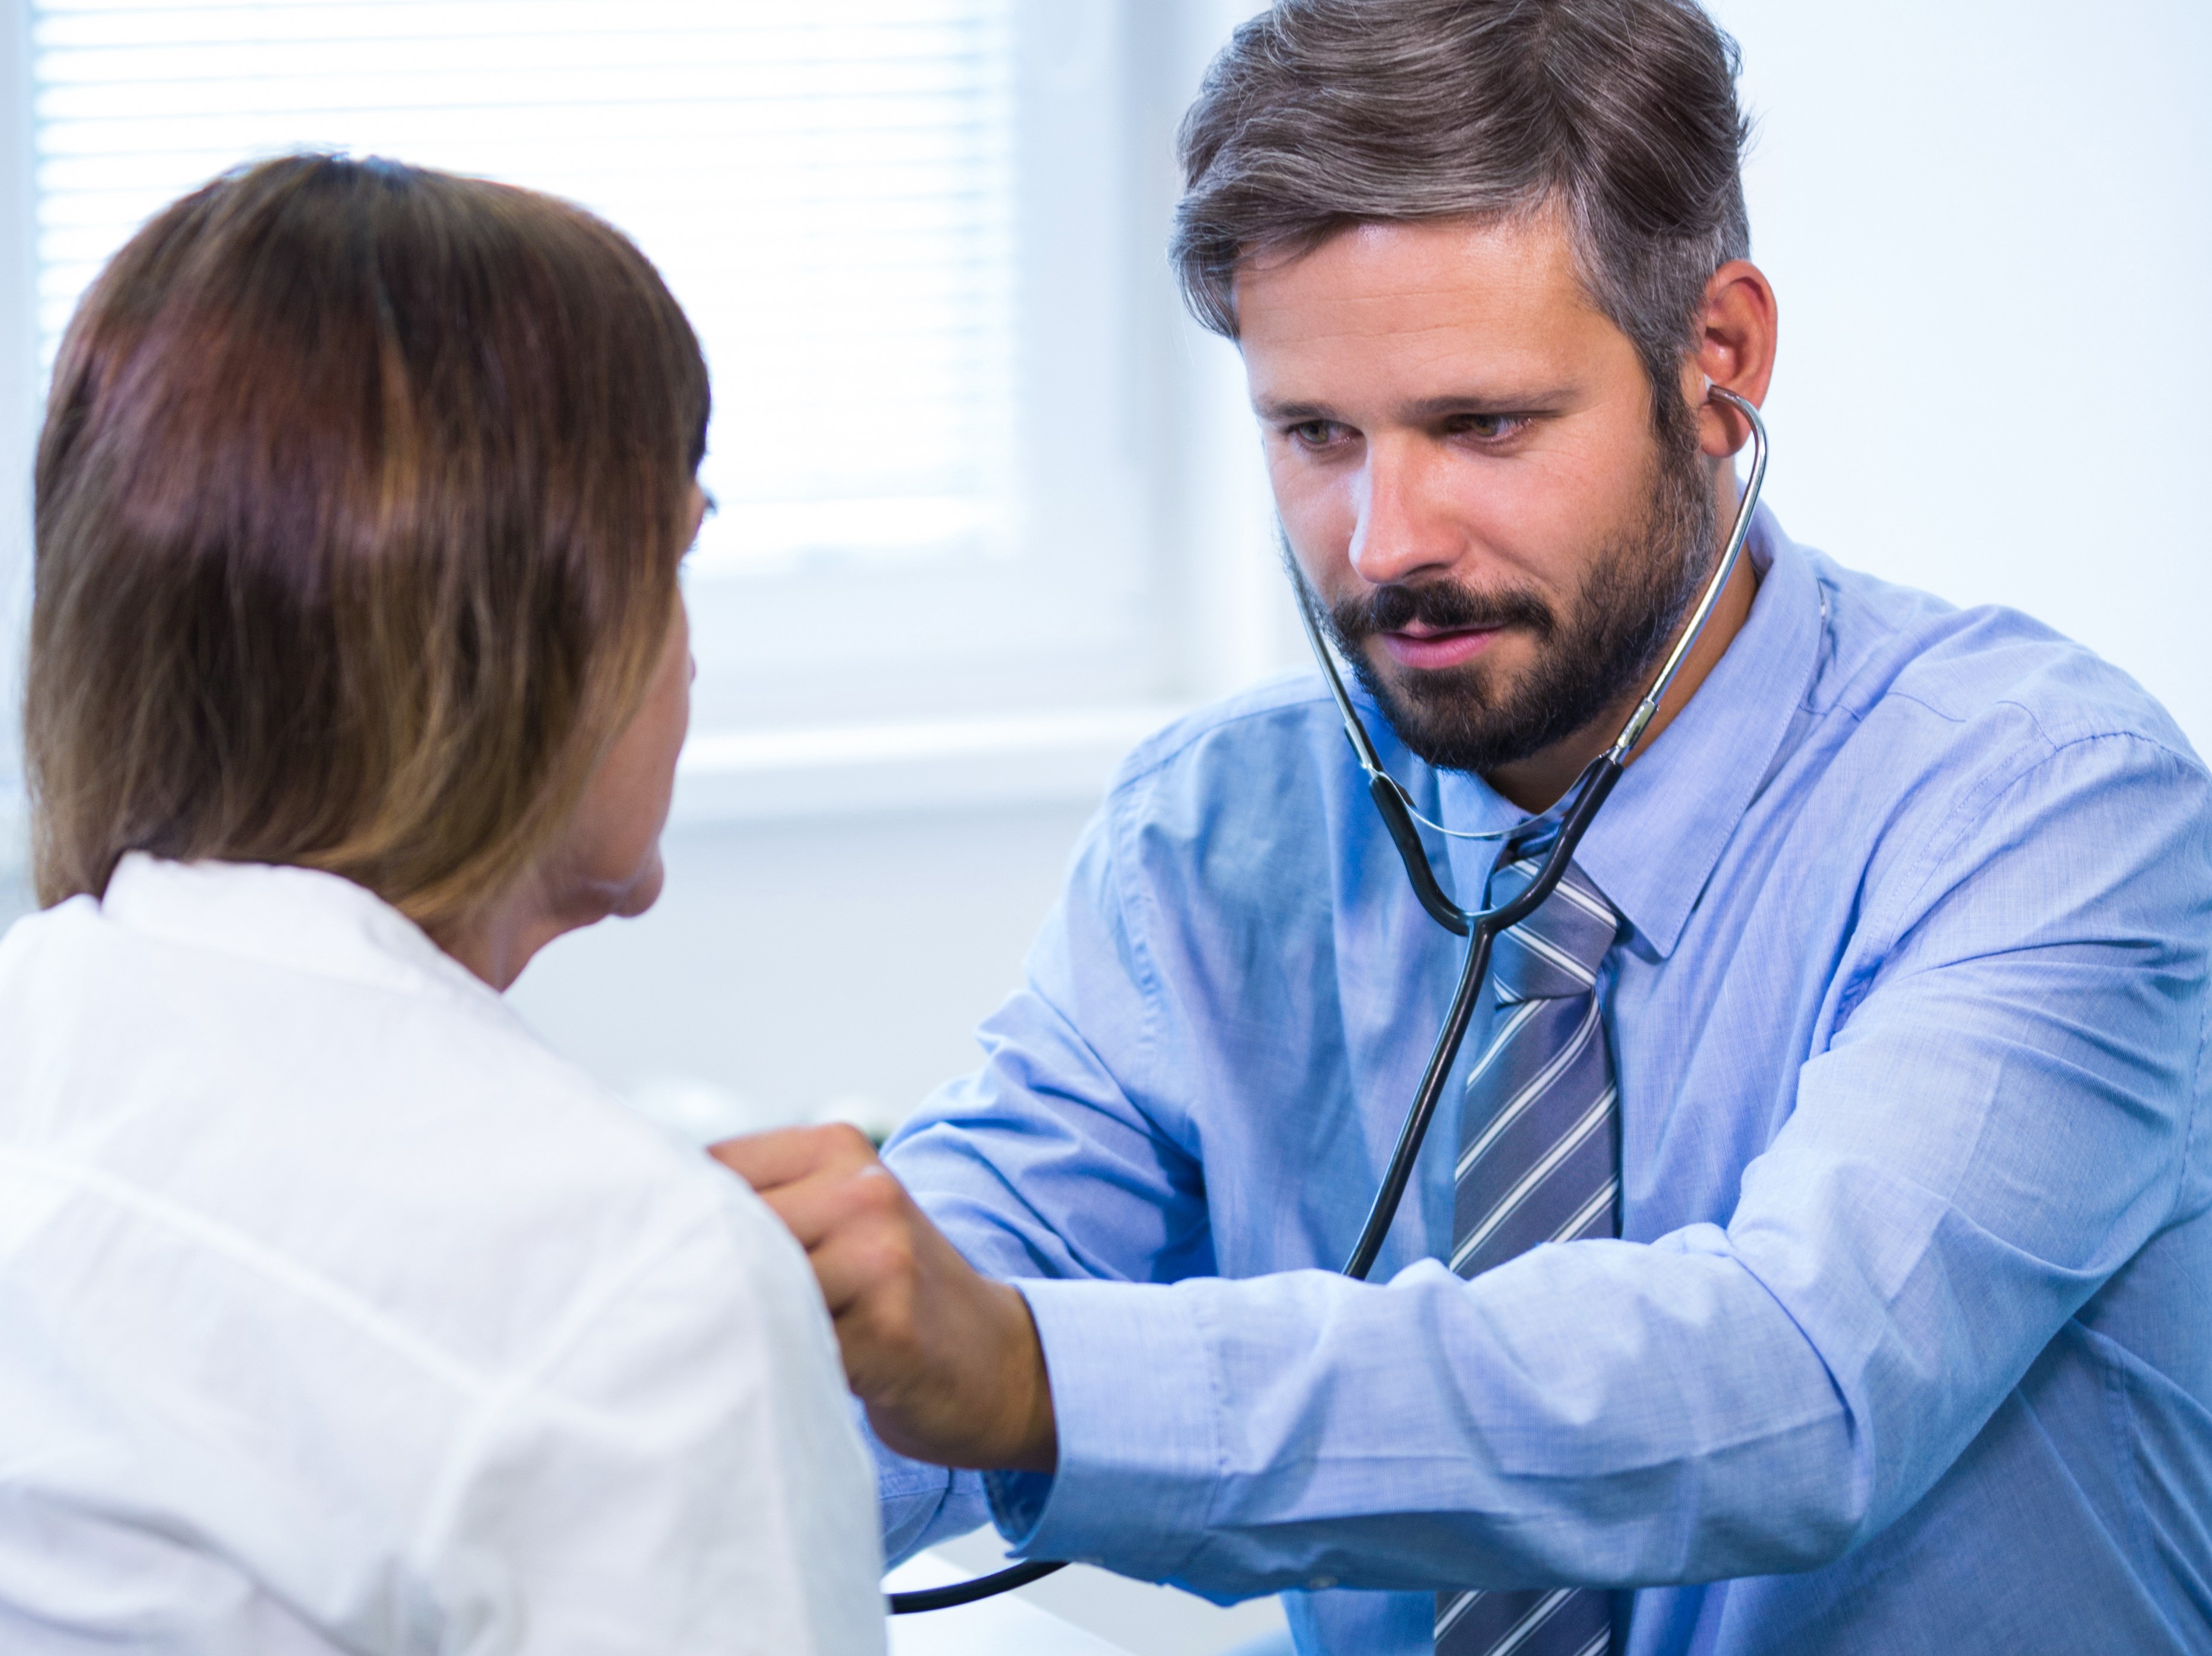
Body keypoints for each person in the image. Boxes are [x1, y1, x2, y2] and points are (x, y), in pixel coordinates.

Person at [715, 2, 2212, 1653]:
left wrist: (1031, 1379)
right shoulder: (1207, 839)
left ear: (1718, 361)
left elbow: (1795, 1389)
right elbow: (967, 1270)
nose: (1385, 543)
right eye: (1315, 434)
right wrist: (692, 1384)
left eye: (1482, 426)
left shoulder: (2050, 807)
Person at [0, 155, 883, 1654]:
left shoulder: (42, 1032)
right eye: (673, 559)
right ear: (538, 632)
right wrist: (685, 1289)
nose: (687, 658)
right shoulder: (645, 1286)